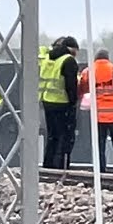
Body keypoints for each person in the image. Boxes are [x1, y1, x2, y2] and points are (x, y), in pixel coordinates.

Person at [39, 35, 80, 169]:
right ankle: (61, 166)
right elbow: (70, 85)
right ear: (72, 49)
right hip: (62, 103)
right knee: (65, 136)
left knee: (52, 136)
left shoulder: (48, 58)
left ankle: (48, 164)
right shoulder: (68, 60)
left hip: (47, 100)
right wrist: (73, 101)